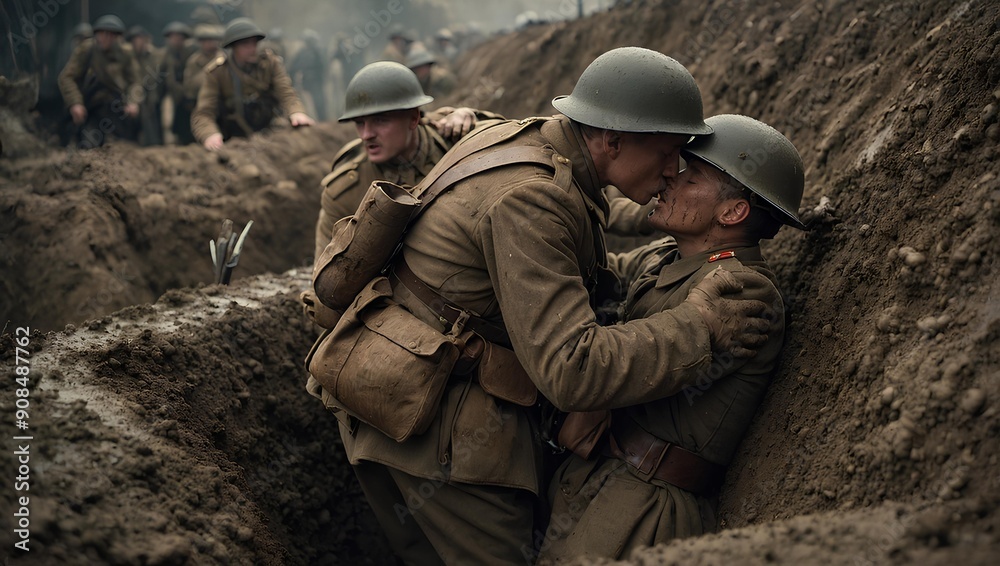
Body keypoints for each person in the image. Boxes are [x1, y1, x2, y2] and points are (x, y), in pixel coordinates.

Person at [308, 47, 773, 564]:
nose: (673, 170)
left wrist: (670, 261)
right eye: (667, 152)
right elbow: (572, 369)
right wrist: (700, 327)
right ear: (613, 139)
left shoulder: (518, 142)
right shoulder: (536, 197)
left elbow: (565, 276)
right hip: (437, 434)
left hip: (383, 398)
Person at [538, 114, 807, 563]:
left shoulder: (743, 289)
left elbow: (659, 347)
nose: (668, 180)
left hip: (645, 507)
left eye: (691, 176)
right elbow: (599, 273)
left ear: (733, 211)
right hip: (602, 475)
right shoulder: (674, 260)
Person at [308, 60, 501, 262]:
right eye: (359, 123)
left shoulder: (452, 140)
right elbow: (326, 273)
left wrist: (473, 119)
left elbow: (517, 142)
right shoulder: (344, 191)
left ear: (414, 119)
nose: (366, 134)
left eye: (380, 120)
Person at [191, 18, 314, 151]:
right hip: (233, 137)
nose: (252, 49)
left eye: (254, 43)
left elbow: (286, 93)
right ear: (233, 47)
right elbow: (203, 112)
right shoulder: (218, 73)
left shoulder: (270, 63)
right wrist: (210, 134)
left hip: (269, 130)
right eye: (245, 44)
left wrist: (296, 112)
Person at [57, 14, 141, 148]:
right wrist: (75, 103)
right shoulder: (87, 50)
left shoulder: (125, 53)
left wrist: (133, 102)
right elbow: (66, 77)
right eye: (102, 34)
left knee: (121, 147)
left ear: (117, 37)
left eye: (111, 35)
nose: (106, 38)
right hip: (91, 106)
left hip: (116, 107)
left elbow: (135, 82)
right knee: (89, 145)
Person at [160, 21, 197, 144]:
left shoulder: (190, 54)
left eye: (180, 38)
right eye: (174, 37)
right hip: (173, 92)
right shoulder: (164, 55)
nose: (176, 40)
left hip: (187, 91)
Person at [126, 25, 162, 146]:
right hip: (131, 93)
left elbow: (152, 76)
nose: (137, 42)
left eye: (140, 39)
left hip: (149, 94)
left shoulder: (154, 55)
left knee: (151, 124)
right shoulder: (128, 54)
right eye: (135, 40)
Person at [182, 24, 223, 115]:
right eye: (205, 40)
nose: (209, 43)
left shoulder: (224, 59)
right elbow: (189, 86)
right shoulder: (194, 61)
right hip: (200, 102)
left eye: (211, 40)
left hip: (221, 102)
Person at [289, 29, 327, 121]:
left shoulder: (317, 51)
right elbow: (293, 67)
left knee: (319, 102)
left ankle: (322, 120)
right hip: (307, 81)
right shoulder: (304, 52)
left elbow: (323, 66)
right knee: (309, 103)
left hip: (315, 81)